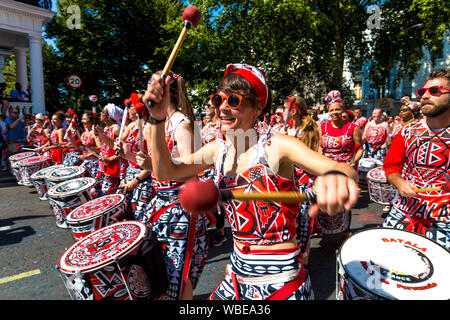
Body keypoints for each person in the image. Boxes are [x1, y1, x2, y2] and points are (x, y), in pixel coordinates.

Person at [141, 63, 358, 300]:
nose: (222, 107)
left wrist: (336, 181)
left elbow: (344, 170)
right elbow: (165, 172)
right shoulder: (217, 150)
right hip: (237, 275)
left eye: (233, 101)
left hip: (280, 281)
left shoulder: (276, 146)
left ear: (257, 108)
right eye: (218, 99)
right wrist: (157, 119)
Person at [130, 71, 209, 300]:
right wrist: (129, 157)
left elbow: (190, 171)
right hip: (160, 207)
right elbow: (157, 168)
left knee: (179, 277)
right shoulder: (156, 124)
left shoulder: (181, 125)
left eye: (150, 84)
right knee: (162, 273)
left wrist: (153, 166)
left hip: (181, 211)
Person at [382, 68, 450, 249]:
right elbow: (391, 166)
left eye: (435, 91)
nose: (425, 96)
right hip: (405, 211)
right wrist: (399, 182)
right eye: (423, 92)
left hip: (444, 218)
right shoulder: (407, 131)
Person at [279, 95, 321, 269]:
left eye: (284, 108)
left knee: (304, 225)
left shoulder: (309, 130)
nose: (282, 112)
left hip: (304, 182)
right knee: (288, 223)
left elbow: (316, 158)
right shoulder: (284, 129)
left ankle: (305, 264)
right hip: (286, 183)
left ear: (293, 111)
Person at [319, 90, 363, 241]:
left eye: (337, 109)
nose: (335, 112)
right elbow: (319, 147)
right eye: (332, 110)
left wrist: (353, 162)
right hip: (326, 168)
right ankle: (323, 229)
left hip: (344, 169)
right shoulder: (322, 127)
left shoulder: (353, 128)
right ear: (328, 111)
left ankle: (345, 231)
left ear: (343, 109)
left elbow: (360, 148)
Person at [117, 94, 154, 222]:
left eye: (130, 106)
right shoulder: (131, 126)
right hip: (131, 173)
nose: (127, 110)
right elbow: (120, 150)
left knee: (141, 215)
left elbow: (153, 163)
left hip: (144, 177)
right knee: (128, 211)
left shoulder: (149, 128)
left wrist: (136, 180)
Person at [94, 103, 122, 196]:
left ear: (109, 116)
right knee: (100, 193)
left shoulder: (117, 129)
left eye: (102, 112)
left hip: (113, 167)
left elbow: (122, 151)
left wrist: (110, 159)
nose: (100, 114)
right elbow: (104, 148)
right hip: (104, 166)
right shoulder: (106, 128)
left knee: (107, 194)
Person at [76, 111, 101, 179]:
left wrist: (87, 155)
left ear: (91, 120)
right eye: (82, 119)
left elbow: (100, 149)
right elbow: (79, 147)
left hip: (94, 163)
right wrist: (70, 137)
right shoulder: (84, 133)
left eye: (84, 119)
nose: (82, 121)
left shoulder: (94, 133)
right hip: (86, 161)